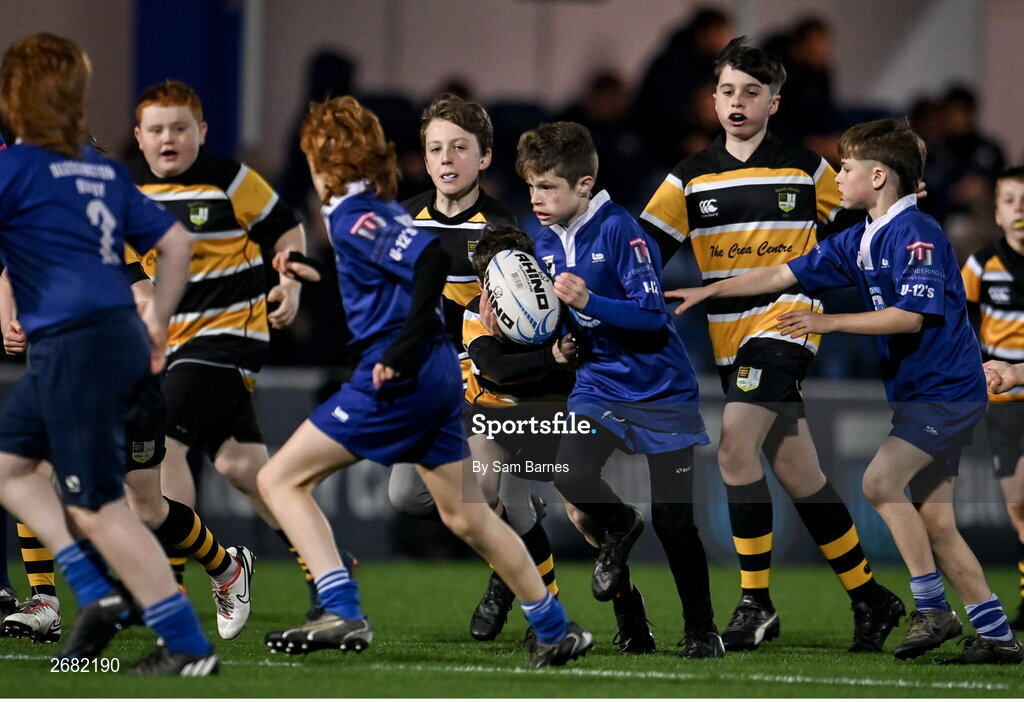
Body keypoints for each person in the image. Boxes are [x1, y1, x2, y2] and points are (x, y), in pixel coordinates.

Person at [669, 118, 1024, 665]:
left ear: (878, 177)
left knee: (880, 482)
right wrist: (708, 290)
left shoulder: (917, 233)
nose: (838, 176)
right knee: (937, 522)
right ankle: (997, 634)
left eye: (848, 167)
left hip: (947, 392)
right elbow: (782, 275)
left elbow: (909, 317)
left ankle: (932, 608)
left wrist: (828, 323)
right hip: (920, 394)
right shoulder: (861, 237)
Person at [255, 95, 593, 667]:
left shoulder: (355, 214)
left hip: (405, 375)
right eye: (436, 148)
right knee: (465, 513)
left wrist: (404, 347)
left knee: (278, 480)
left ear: (323, 161)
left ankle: (340, 606)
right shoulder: (385, 210)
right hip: (439, 374)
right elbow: (383, 279)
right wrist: (313, 276)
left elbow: (427, 262)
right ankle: (555, 627)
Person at [639, 36, 902, 653]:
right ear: (712, 100)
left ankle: (755, 602)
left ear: (773, 103)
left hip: (787, 324)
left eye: (751, 92)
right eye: (727, 91)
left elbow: (866, 226)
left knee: (734, 448)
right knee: (799, 473)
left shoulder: (808, 170)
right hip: (728, 341)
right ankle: (871, 598)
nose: (738, 102)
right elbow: (641, 255)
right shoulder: (688, 178)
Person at [0, 33, 218, 674]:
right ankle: (101, 595)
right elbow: (176, 245)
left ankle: (174, 637)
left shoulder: (15, 168)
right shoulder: (101, 171)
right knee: (11, 469)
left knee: (97, 507)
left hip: (74, 347)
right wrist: (159, 323)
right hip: (111, 340)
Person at [517, 121, 722, 658]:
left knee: (675, 522)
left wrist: (589, 302)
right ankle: (628, 574)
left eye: (548, 187)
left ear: (584, 184)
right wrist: (559, 344)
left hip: (660, 389)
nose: (536, 198)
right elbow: (559, 318)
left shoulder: (619, 230)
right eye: (532, 186)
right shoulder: (544, 242)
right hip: (600, 384)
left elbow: (653, 318)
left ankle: (702, 631)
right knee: (571, 474)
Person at [126, 80, 317, 610]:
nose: (169, 138)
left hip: (230, 335)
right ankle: (325, 566)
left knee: (164, 443)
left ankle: (172, 588)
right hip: (169, 344)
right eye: (157, 129)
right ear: (138, 137)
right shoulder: (125, 190)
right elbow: (123, 264)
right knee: (242, 467)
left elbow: (288, 231)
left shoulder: (229, 179)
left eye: (180, 128)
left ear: (203, 132)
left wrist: (291, 284)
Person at [0, 253, 255, 643]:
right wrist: (8, 321)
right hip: (63, 380)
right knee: (30, 472)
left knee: (148, 509)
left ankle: (227, 568)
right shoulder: (39, 230)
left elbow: (145, 295)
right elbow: (8, 276)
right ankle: (45, 602)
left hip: (126, 386)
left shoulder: (102, 235)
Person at [387, 94, 559, 642]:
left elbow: (527, 317)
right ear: (424, 158)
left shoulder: (501, 227)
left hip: (484, 382)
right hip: (427, 385)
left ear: (483, 158)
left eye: (460, 148)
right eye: (436, 148)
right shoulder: (402, 221)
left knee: (482, 489)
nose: (447, 158)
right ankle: (515, 541)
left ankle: (538, 603)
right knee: (406, 496)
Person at [961, 166, 1024, 631]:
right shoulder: (982, 265)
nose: (1020, 209)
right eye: (1009, 200)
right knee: (1018, 506)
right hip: (1004, 404)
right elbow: (958, 325)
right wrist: (979, 370)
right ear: (998, 213)